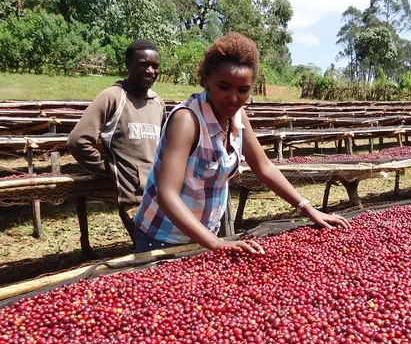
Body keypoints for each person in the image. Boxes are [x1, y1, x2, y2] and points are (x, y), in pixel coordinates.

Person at [132, 32, 348, 254]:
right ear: (206, 80)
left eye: (242, 90)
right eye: (224, 87)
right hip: (163, 237)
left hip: (205, 235)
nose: (233, 98)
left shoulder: (237, 116)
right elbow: (167, 194)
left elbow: (264, 167)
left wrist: (309, 209)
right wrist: (217, 243)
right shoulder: (187, 121)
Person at [67, 39, 166, 241]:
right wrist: (109, 169)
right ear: (128, 65)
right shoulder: (112, 97)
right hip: (135, 200)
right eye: (143, 64)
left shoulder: (158, 103)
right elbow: (78, 141)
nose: (150, 71)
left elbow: (166, 146)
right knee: (152, 251)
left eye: (155, 66)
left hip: (163, 195)